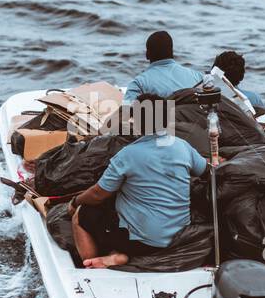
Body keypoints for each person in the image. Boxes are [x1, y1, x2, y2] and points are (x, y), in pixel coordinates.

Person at [70, 95, 208, 268]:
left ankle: (89, 265)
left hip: (145, 242)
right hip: (180, 236)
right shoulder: (182, 146)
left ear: (136, 122)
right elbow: (205, 170)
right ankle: (117, 255)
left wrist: (75, 202)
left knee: (83, 213)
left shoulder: (128, 154)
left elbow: (98, 194)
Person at [122, 30, 202, 102]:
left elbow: (126, 113)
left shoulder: (139, 84)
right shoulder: (198, 77)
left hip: (163, 116)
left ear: (147, 55)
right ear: (172, 52)